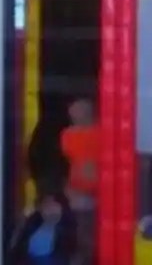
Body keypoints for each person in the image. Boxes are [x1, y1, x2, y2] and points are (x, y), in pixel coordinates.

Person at [59, 98, 97, 264]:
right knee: (80, 230)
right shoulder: (67, 135)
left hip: (103, 192)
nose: (74, 115)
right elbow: (66, 163)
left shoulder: (104, 133)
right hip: (77, 191)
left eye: (79, 111)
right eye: (73, 112)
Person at [7, 186, 77, 265]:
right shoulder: (30, 225)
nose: (50, 210)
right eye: (47, 205)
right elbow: (16, 250)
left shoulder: (67, 231)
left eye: (54, 206)